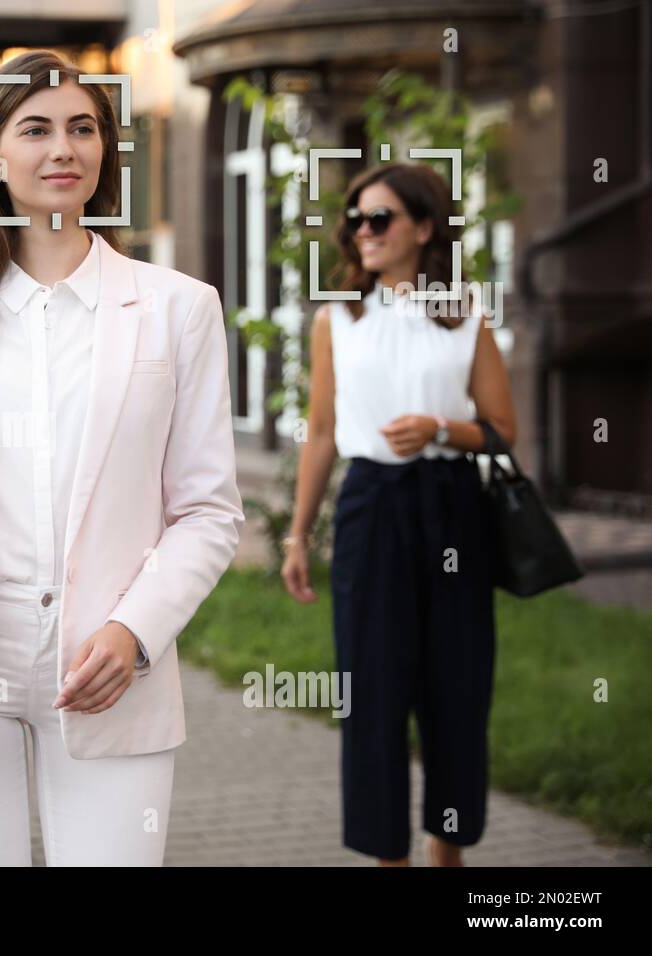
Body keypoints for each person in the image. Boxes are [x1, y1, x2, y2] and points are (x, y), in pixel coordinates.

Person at [0, 50, 244, 866]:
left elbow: (209, 512)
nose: (62, 148)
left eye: (83, 128)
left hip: (108, 676)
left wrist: (134, 629)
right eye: (35, 129)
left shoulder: (179, 309)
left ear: (105, 152)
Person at [279, 162, 516, 866]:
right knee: (373, 691)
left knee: (458, 685)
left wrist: (441, 428)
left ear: (423, 227)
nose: (363, 231)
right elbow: (321, 435)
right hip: (370, 508)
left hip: (452, 509)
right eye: (356, 218)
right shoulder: (337, 319)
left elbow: (503, 428)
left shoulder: (466, 315)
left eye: (379, 218)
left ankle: (447, 849)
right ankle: (389, 857)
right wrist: (297, 536)